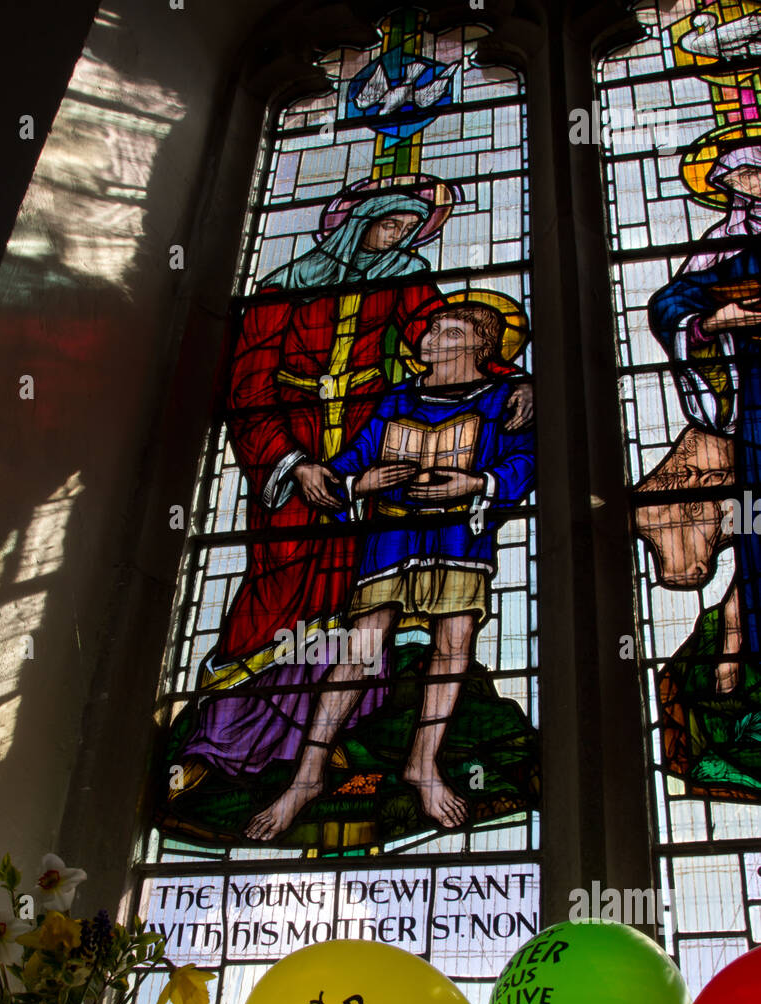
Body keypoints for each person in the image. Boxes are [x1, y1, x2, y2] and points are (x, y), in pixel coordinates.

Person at [176, 189, 534, 790]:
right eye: (389, 223)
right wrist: (292, 463)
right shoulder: (284, 287)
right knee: (277, 588)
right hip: (294, 445)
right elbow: (247, 387)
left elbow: (456, 344)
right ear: (359, 223)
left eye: (408, 228)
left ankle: (316, 744)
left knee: (352, 599)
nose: (397, 237)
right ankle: (223, 737)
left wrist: (517, 380)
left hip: (373, 448)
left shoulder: (406, 280)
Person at [245, 299, 535, 837]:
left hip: (458, 535)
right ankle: (308, 774)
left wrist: (475, 485)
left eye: (447, 332)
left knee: (452, 646)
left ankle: (423, 764)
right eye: (429, 328)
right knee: (359, 650)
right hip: (392, 532)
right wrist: (360, 484)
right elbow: (351, 462)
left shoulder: (502, 399)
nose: (428, 338)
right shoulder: (397, 397)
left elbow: (523, 462)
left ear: (481, 347)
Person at [649, 140, 761, 690]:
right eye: (735, 177)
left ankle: (733, 655)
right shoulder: (726, 249)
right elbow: (670, 306)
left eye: (751, 173)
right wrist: (715, 322)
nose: (744, 184)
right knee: (757, 523)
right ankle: (737, 658)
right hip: (758, 397)